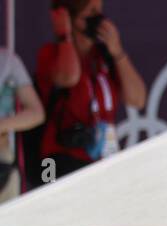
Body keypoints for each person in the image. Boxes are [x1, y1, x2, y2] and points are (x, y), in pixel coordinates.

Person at [34, 0, 146, 182]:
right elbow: (69, 77)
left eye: (100, 10)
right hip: (63, 162)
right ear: (70, 16)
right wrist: (65, 34)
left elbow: (137, 99)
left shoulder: (103, 57)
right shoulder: (50, 54)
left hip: (103, 160)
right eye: (91, 12)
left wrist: (117, 51)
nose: (99, 19)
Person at [0, 49, 45, 203]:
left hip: (3, 159)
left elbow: (36, 113)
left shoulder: (8, 61)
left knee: (8, 221)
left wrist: (3, 125)